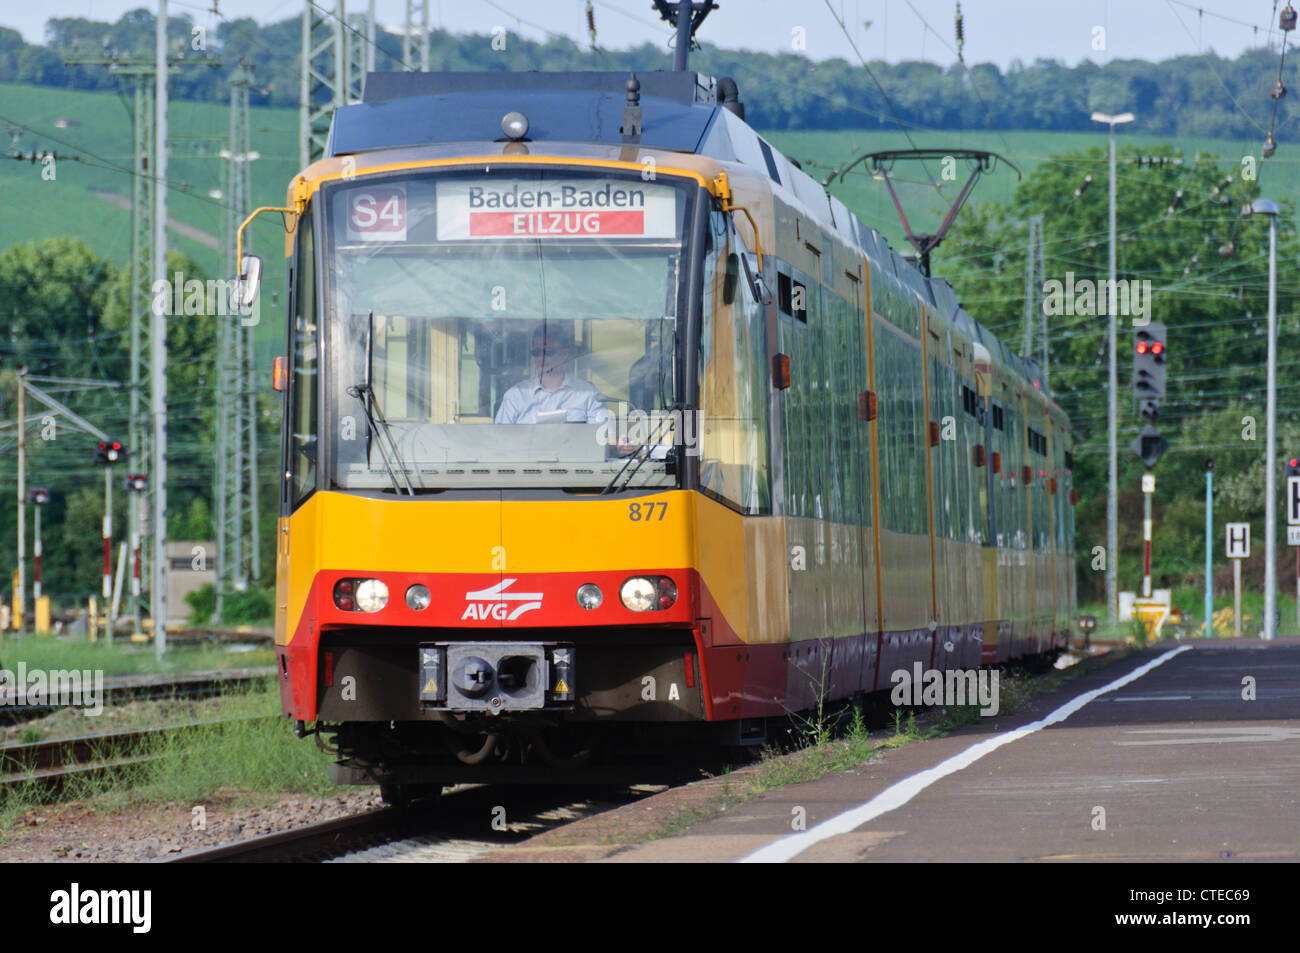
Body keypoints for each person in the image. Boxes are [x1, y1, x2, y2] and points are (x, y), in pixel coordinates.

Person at [494, 323, 610, 425]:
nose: (542, 358)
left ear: (564, 354)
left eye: (548, 352)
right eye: (536, 352)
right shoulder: (515, 395)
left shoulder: (588, 394)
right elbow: (500, 439)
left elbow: (601, 438)